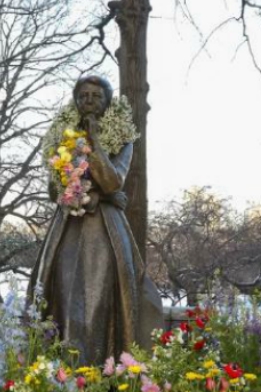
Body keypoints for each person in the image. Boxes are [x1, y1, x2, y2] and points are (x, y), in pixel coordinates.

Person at [29, 75, 162, 365]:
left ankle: (105, 370)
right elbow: (54, 189)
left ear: (106, 102)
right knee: (64, 297)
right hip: (68, 226)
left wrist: (95, 142)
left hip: (104, 229)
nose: (89, 101)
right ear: (76, 100)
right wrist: (85, 190)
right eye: (84, 95)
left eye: (96, 96)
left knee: (100, 298)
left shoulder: (122, 137)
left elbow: (113, 180)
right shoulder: (61, 137)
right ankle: (65, 369)